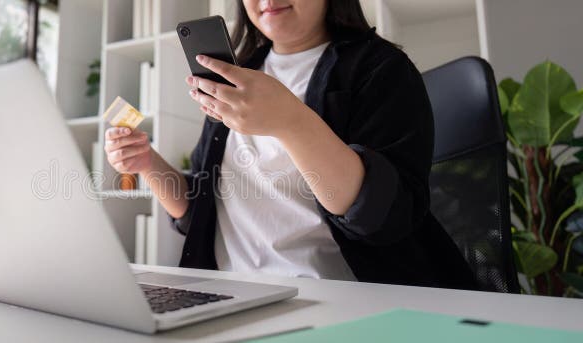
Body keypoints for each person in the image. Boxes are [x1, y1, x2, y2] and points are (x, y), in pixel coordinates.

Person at [104, 0, 477, 289]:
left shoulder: (381, 68)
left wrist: (291, 122)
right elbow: (197, 214)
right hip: (232, 293)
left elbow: (381, 219)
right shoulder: (235, 75)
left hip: (338, 295)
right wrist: (147, 163)